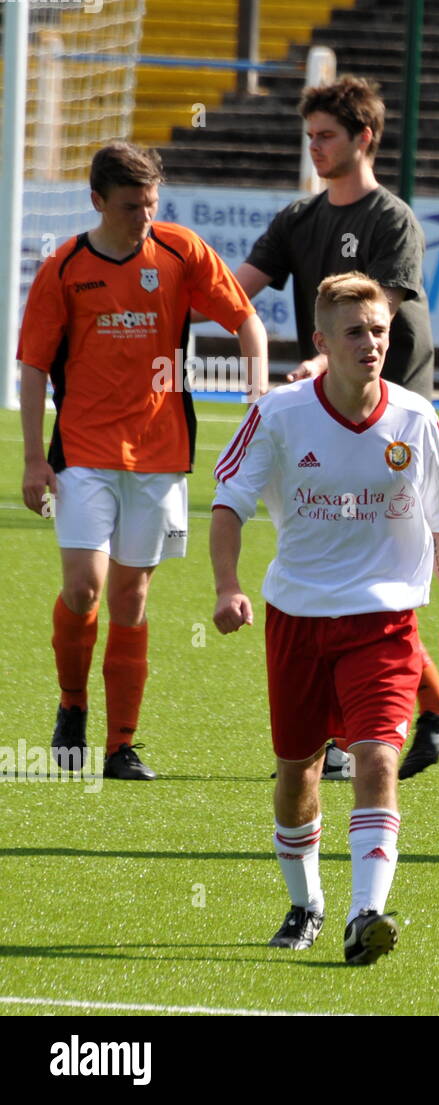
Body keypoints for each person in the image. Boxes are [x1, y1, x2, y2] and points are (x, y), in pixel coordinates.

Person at [209, 272, 439, 964]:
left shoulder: (416, 418)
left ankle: (367, 913)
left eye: (381, 330)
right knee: (296, 773)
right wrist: (226, 585)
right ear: (321, 340)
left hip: (385, 624)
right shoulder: (278, 414)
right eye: (355, 331)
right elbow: (228, 503)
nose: (372, 343)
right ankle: (306, 902)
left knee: (377, 760)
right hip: (296, 618)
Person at [232, 74, 439, 780]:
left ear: (363, 138)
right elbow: (233, 287)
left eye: (327, 135)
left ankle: (358, 724)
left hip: (386, 406)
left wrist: (315, 364)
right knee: (343, 563)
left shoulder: (391, 219)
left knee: (374, 568)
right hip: (323, 397)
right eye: (309, 136)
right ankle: (433, 708)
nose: (315, 148)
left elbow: (381, 309)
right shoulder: (300, 217)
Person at [18, 141, 267, 781]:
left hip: (160, 455)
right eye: (131, 206)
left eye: (152, 204)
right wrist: (31, 461)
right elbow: (34, 366)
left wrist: (258, 389)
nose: (144, 217)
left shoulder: (180, 250)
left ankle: (119, 746)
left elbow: (245, 319)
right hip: (83, 451)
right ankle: (72, 706)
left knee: (131, 598)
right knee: (84, 587)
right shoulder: (66, 266)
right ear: (98, 202)